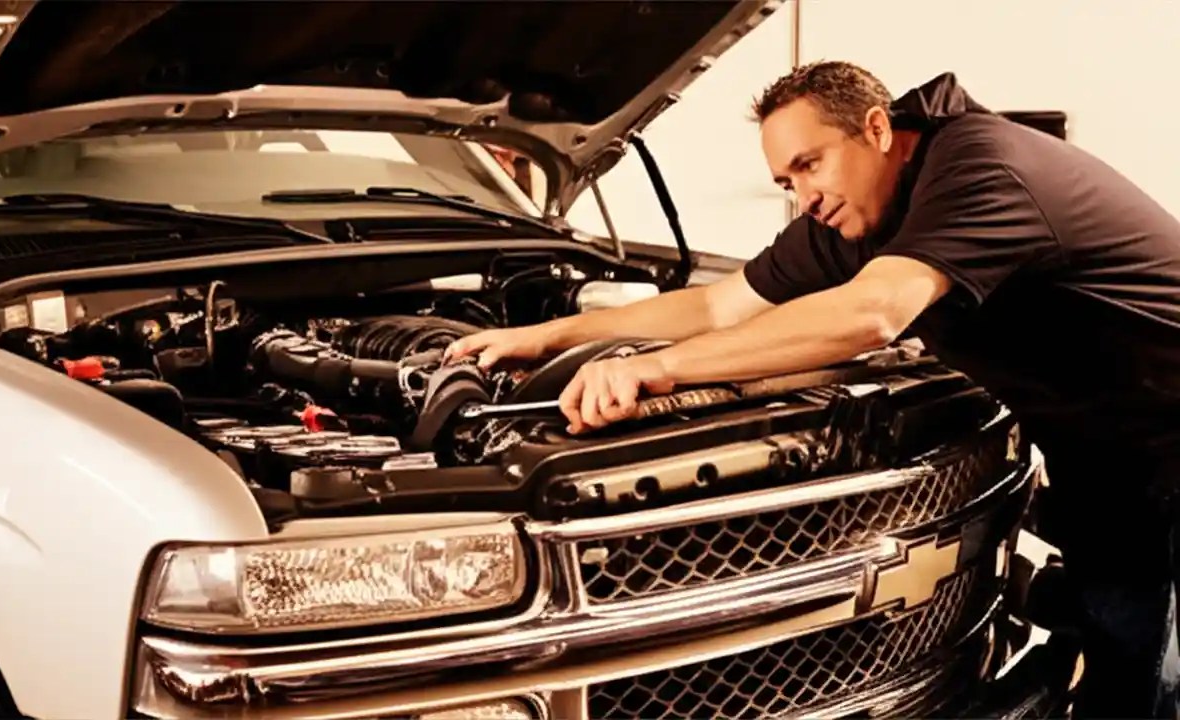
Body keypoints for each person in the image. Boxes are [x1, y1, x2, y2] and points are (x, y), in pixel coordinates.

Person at [446, 60, 1180, 717]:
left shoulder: (981, 168)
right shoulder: (851, 218)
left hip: (1167, 439)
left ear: (875, 128)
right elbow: (715, 304)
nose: (804, 197)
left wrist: (655, 369)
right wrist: (543, 339)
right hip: (1107, 460)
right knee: (1118, 658)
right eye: (785, 182)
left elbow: (873, 315)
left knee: (1152, 665)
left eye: (810, 165)